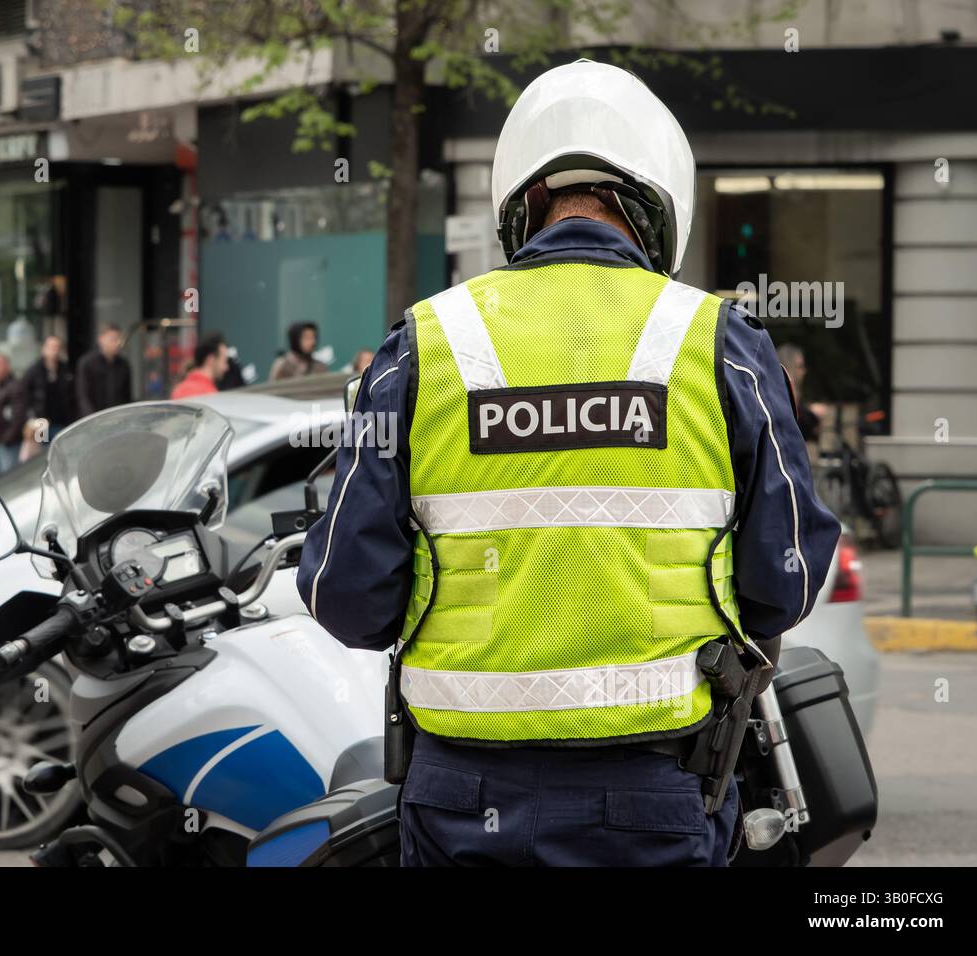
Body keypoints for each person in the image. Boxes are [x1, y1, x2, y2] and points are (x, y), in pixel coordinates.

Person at [296, 60, 841, 867]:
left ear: (524, 202)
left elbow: (346, 595)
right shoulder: (718, 341)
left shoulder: (426, 344)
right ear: (661, 204)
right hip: (654, 798)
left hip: (460, 804)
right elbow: (787, 578)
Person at [776, 343, 829, 451]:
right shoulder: (781, 397)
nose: (804, 371)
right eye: (800, 366)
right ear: (789, 367)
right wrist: (812, 413)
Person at [23, 335, 76, 442]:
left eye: (57, 347)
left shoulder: (66, 369)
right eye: (51, 347)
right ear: (44, 348)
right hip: (40, 422)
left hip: (63, 422)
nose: (54, 351)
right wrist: (31, 419)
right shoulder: (33, 371)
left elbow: (72, 395)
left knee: (60, 451)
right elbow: (25, 397)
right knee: (41, 454)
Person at [75, 323, 133, 418]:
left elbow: (127, 397)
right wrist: (93, 419)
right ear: (100, 339)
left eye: (120, 339)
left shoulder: (124, 364)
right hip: (93, 420)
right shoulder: (87, 363)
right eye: (113, 339)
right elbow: (83, 397)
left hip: (118, 419)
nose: (118, 343)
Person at [171, 332, 230, 399]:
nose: (226, 367)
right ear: (211, 359)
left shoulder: (181, 387)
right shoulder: (207, 394)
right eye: (224, 361)